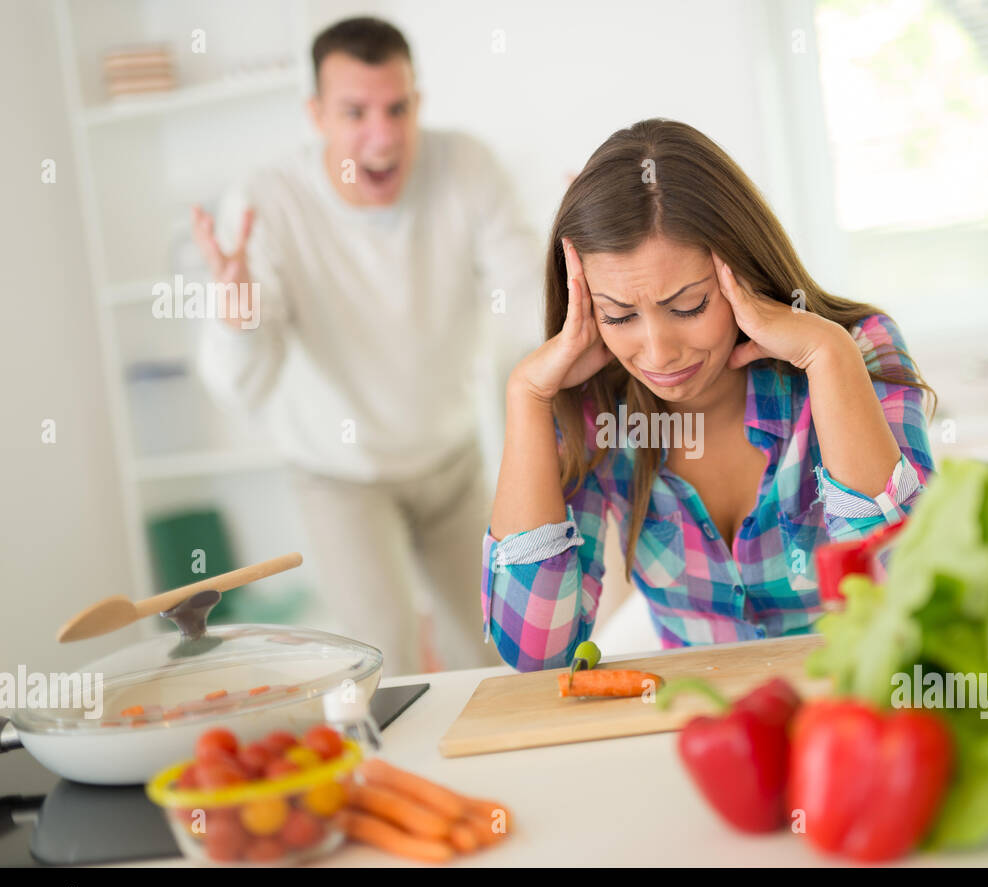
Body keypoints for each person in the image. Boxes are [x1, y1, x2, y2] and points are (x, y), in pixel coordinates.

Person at [482, 118, 938, 671]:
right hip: (700, 730)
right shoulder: (589, 401)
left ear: (741, 271)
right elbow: (537, 654)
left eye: (689, 306)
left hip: (854, 715)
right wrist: (526, 396)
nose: (658, 352)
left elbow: (918, 601)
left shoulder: (855, 350)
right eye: (619, 315)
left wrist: (827, 357)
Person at [192, 17, 540, 674]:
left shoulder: (466, 166)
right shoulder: (269, 202)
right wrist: (235, 309)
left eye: (397, 107)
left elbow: (526, 302)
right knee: (383, 662)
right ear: (316, 115)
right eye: (355, 112)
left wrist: (595, 300)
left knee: (499, 648)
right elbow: (243, 383)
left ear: (418, 104)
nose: (382, 136)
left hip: (449, 458)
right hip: (338, 472)